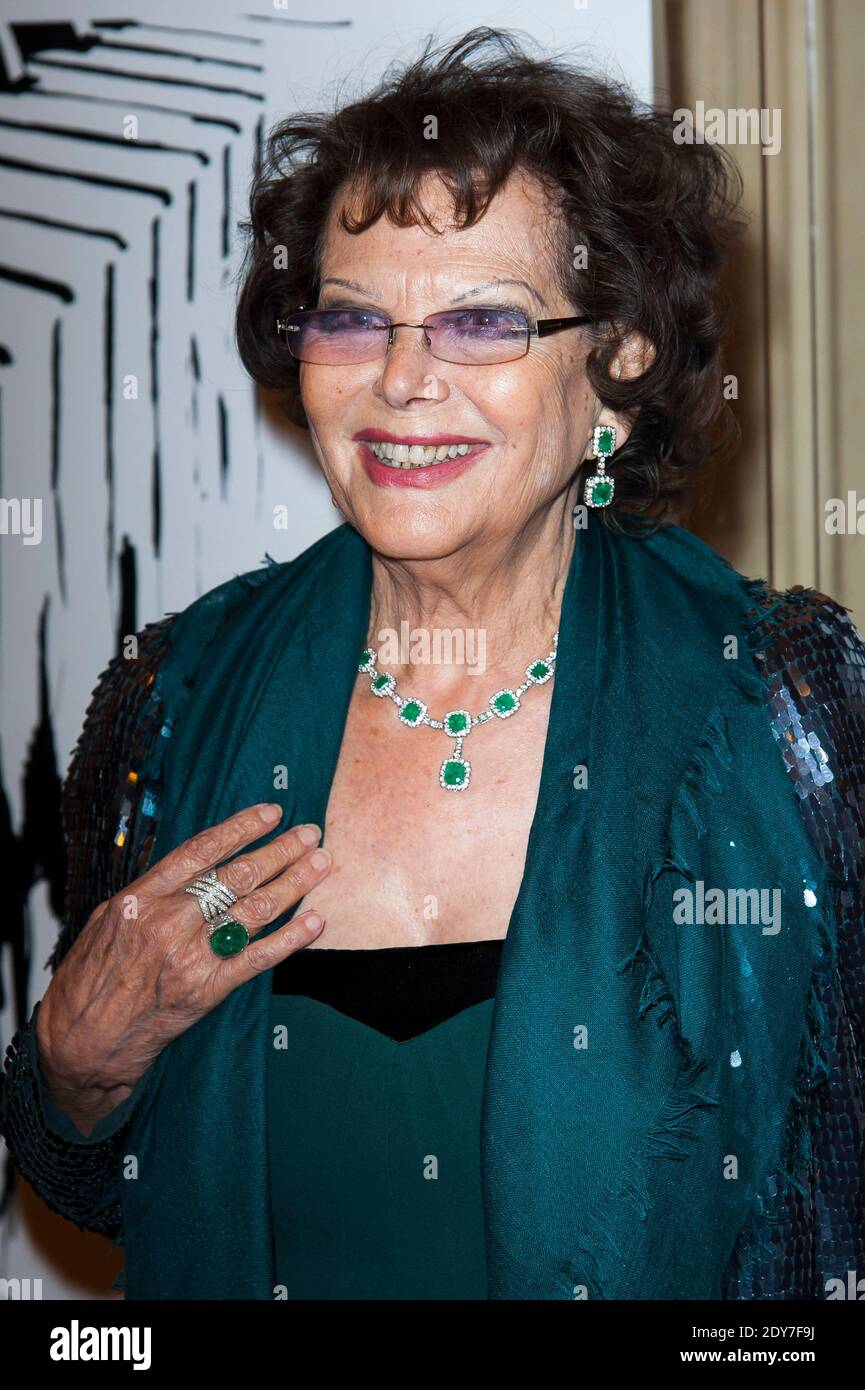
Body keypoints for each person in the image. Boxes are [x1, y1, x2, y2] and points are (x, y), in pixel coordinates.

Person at [2, 27, 863, 1301]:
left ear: (616, 365)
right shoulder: (171, 702)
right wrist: (69, 1065)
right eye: (353, 320)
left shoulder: (782, 697)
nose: (403, 379)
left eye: (480, 321)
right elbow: (91, 1183)